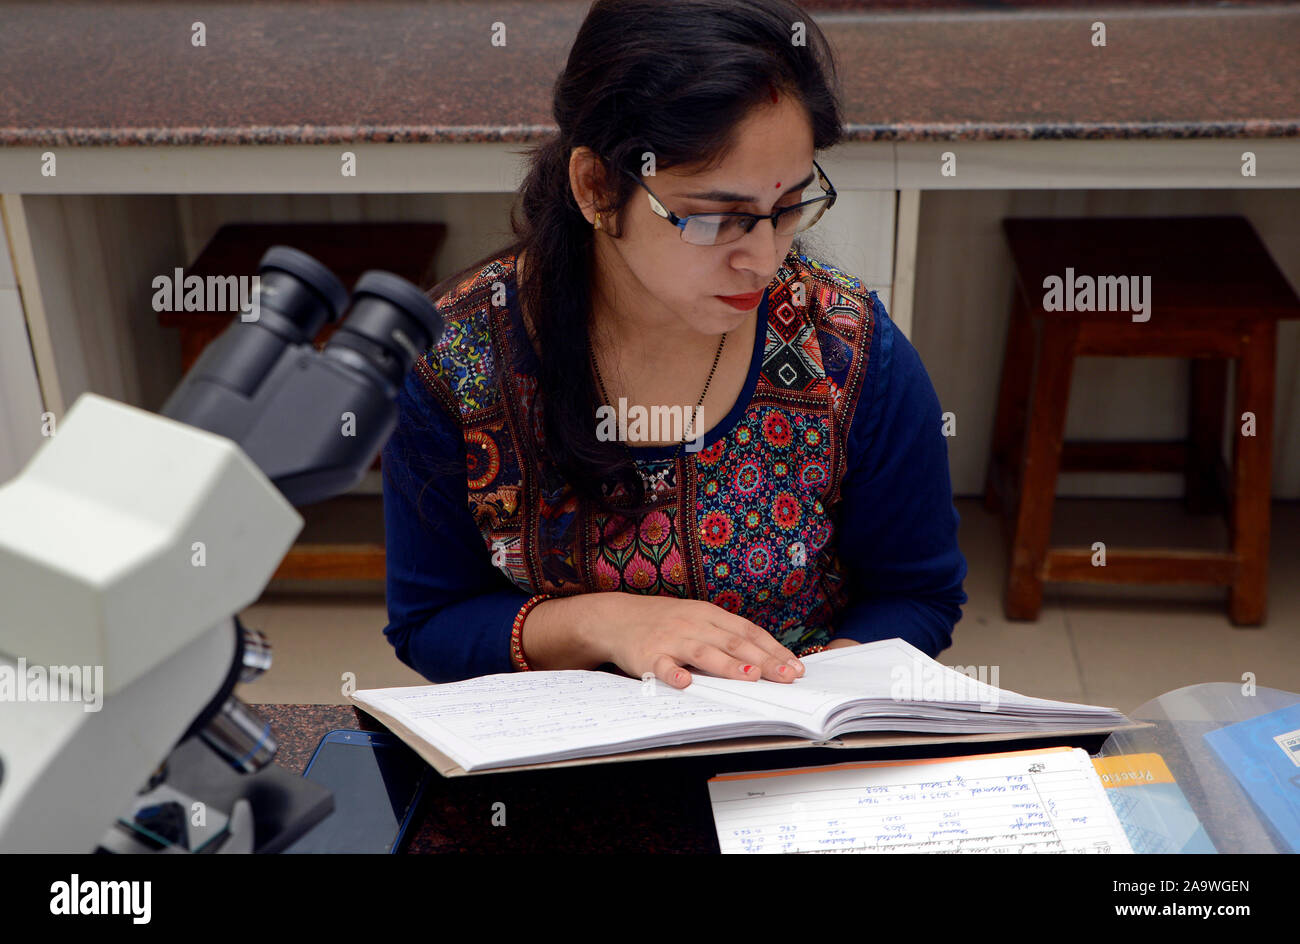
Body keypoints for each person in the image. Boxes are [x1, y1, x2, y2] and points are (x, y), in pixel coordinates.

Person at [381, 0, 967, 687]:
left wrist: (815, 696)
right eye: (717, 218)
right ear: (597, 187)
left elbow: (919, 595)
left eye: (788, 210)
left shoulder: (845, 347)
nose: (764, 259)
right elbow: (430, 623)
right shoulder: (461, 359)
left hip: (780, 748)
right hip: (562, 756)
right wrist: (605, 622)